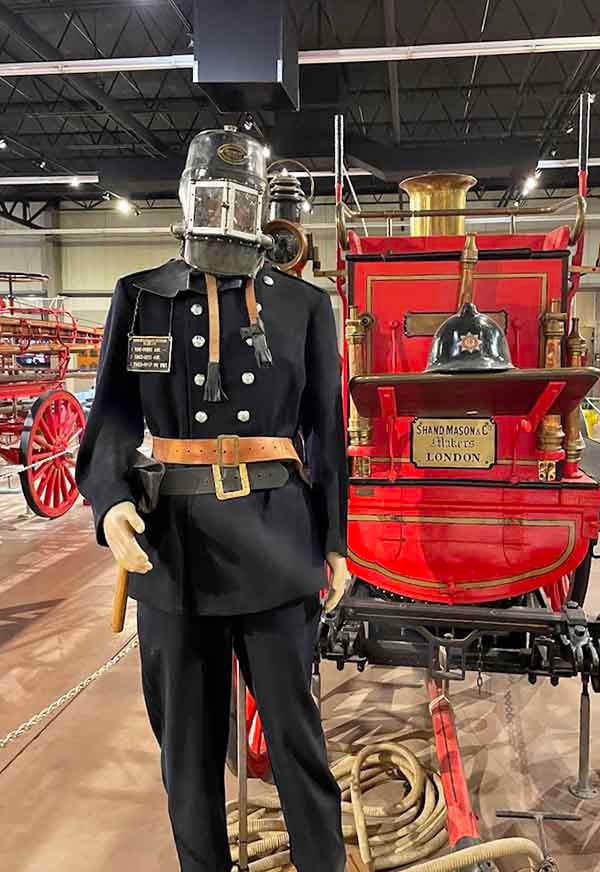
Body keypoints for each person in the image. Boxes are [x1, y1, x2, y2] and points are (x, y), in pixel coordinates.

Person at [76, 125, 348, 872]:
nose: (223, 210)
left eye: (239, 197)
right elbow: (111, 425)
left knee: (296, 740)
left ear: (262, 209)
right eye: (211, 194)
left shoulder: (302, 305)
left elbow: (327, 433)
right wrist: (110, 503)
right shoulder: (141, 297)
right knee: (187, 754)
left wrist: (334, 541)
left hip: (277, 543)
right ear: (188, 195)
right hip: (173, 550)